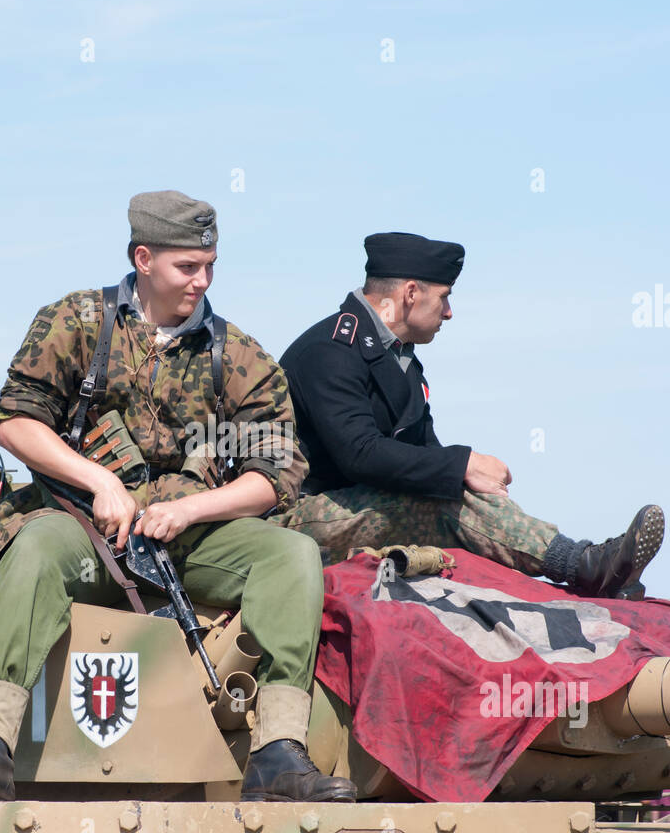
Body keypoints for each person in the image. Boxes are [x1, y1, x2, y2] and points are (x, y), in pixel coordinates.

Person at [0, 191, 356, 804]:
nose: (202, 280)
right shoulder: (77, 323)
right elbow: (16, 423)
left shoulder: (237, 355)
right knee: (34, 550)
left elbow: (277, 470)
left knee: (290, 555)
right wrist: (99, 481)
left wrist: (189, 509)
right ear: (143, 259)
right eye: (187, 266)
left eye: (210, 265)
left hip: (190, 540)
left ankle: (278, 754)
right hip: (82, 528)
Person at [278, 230, 664, 596]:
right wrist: (463, 464)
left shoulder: (401, 360)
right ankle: (583, 565)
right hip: (302, 519)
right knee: (444, 494)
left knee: (454, 487)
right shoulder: (329, 351)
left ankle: (593, 572)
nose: (448, 312)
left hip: (357, 506)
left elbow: (424, 453)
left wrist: (465, 476)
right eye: (444, 297)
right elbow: (360, 453)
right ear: (411, 293)